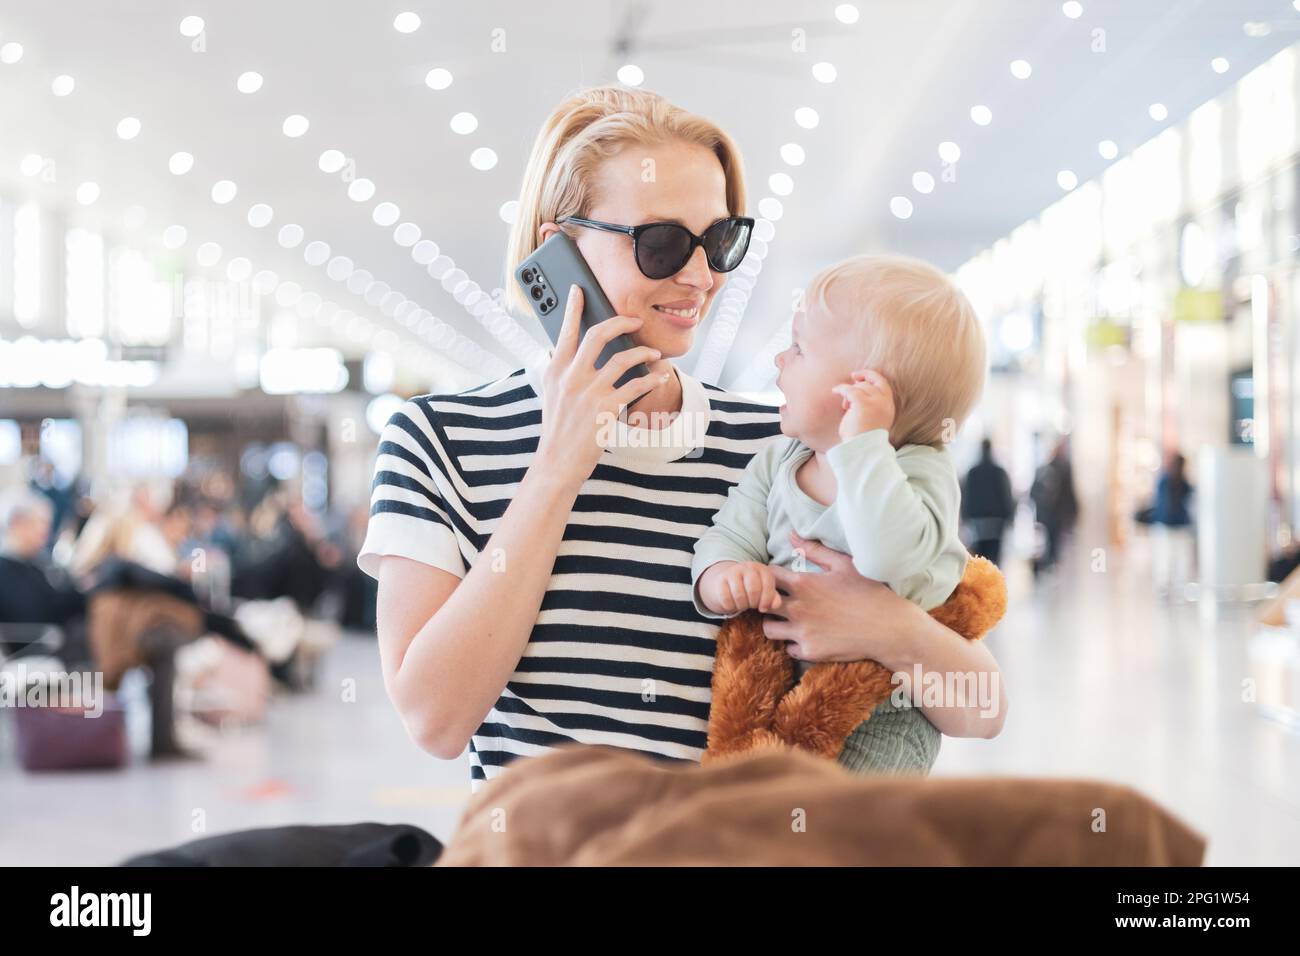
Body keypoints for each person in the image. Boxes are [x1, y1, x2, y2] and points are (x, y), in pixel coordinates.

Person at [359, 85, 1007, 794]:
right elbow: (435, 719)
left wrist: (889, 628)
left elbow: (982, 706)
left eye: (721, 240)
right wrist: (557, 467)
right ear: (558, 247)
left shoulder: (785, 452)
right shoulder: (440, 438)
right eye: (661, 242)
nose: (699, 275)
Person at [691, 254, 987, 772]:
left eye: (800, 348)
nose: (782, 360)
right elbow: (729, 535)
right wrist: (723, 577)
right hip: (790, 689)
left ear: (861, 392)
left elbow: (886, 559)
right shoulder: (778, 462)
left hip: (884, 709)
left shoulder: (919, 469)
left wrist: (863, 446)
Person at [962, 438, 1016, 566]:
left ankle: (984, 585)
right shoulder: (999, 472)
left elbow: (967, 498)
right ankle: (994, 584)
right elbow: (1006, 496)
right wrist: (1009, 518)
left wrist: (966, 518)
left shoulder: (972, 472)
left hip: (977, 523)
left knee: (980, 562)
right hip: (997, 523)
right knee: (995, 562)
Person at [1029, 436, 1078, 577]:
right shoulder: (1055, 468)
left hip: (1050, 514)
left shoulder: (1049, 468)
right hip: (1054, 514)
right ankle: (1050, 564)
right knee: (1051, 539)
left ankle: (1050, 564)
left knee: (1050, 539)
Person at [1151, 451, 1194, 599]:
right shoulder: (1184, 484)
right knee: (1180, 559)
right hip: (1179, 527)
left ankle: (1165, 588)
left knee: (1165, 559)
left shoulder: (1165, 482)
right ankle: (1179, 589)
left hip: (1165, 526)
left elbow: (1157, 503)